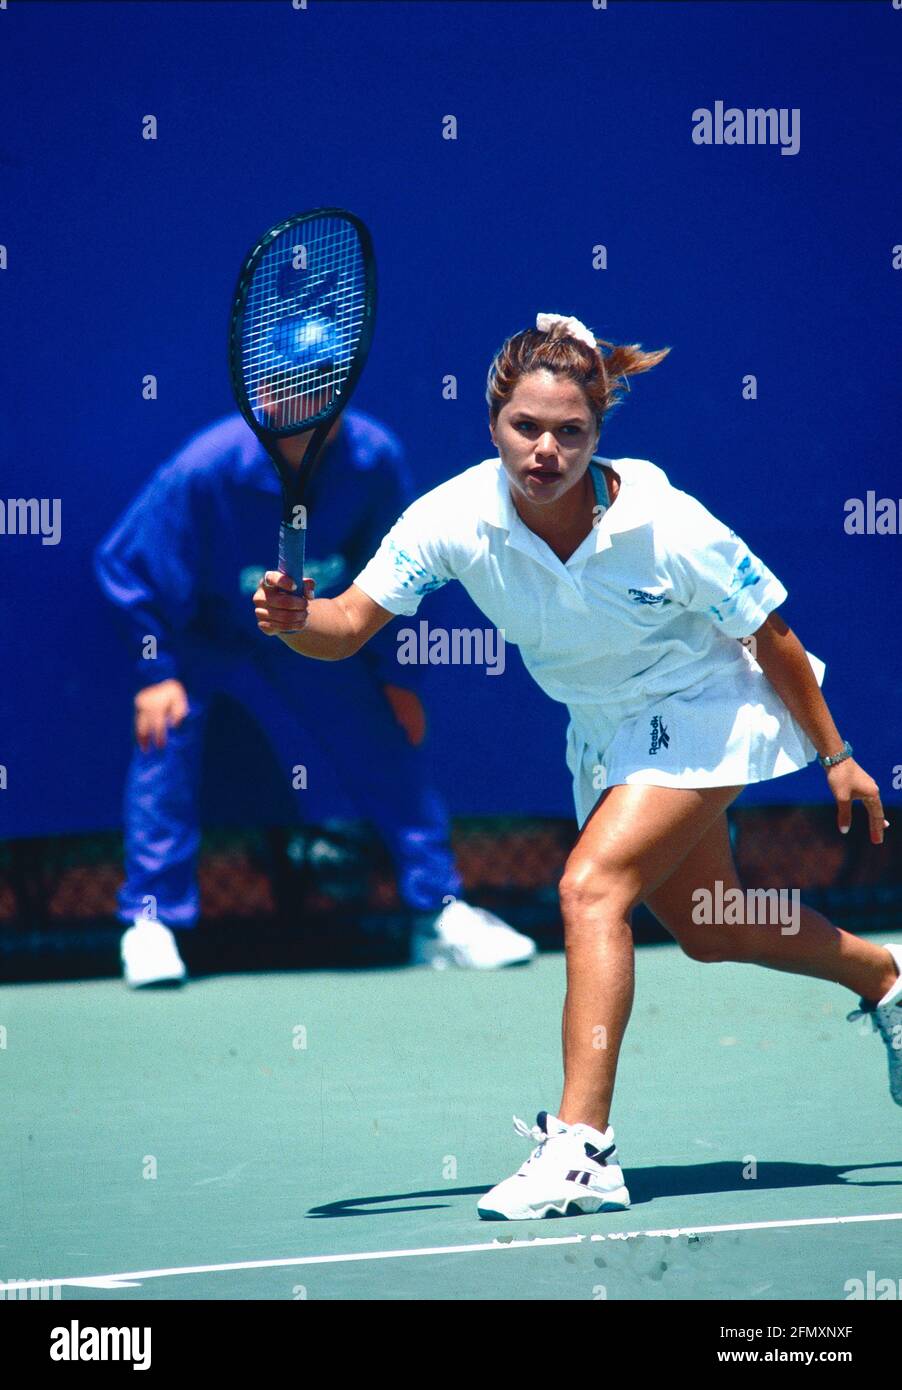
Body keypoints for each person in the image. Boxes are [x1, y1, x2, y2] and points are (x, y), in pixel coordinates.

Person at [252, 311, 901, 1222]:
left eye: (570, 431)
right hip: (604, 730)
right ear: (492, 423)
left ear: (599, 434)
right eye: (527, 427)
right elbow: (348, 625)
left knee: (590, 888)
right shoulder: (452, 517)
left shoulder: (668, 526)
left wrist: (836, 754)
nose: (545, 449)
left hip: (708, 706)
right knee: (710, 926)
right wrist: (291, 621)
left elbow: (774, 635)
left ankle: (583, 1148)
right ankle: (885, 978)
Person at [95, 408, 537, 988]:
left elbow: (405, 569)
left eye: (324, 381)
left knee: (385, 731)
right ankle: (151, 923)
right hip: (209, 632)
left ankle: (438, 913)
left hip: (312, 627)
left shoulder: (374, 457)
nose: (302, 400)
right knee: (165, 729)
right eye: (288, 384)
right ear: (264, 391)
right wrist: (155, 672)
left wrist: (397, 678)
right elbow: (127, 563)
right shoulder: (205, 466)